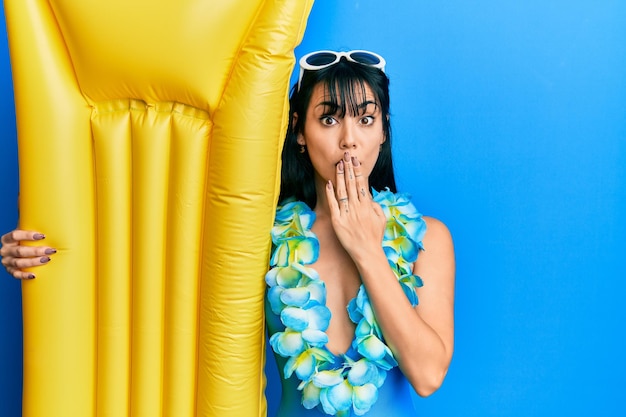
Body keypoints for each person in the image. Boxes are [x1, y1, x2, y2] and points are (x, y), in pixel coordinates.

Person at [1, 50, 455, 416]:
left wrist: (367, 251)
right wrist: (51, 255)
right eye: (330, 118)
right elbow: (145, 276)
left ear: (383, 132)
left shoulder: (429, 239)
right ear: (298, 131)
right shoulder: (263, 235)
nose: (349, 140)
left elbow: (428, 375)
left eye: (366, 119)